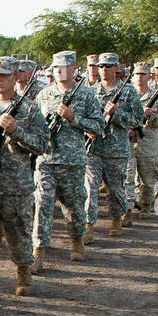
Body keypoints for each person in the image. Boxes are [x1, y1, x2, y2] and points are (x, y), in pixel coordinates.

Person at [0, 55, 49, 292]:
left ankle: (23, 273)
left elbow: (42, 145)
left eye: (4, 75)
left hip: (16, 184)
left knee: (18, 232)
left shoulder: (29, 109)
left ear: (16, 77)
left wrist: (16, 130)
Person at [34, 50, 104, 266]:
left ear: (74, 68)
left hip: (73, 161)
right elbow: (35, 125)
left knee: (73, 207)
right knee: (43, 203)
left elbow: (98, 126)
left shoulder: (86, 96)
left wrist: (74, 118)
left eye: (64, 67)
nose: (59, 71)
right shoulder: (44, 95)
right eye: (56, 68)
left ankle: (76, 241)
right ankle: (38, 251)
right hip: (46, 160)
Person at [84, 52, 142, 241]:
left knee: (115, 188)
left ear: (116, 68)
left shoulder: (128, 91)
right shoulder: (90, 91)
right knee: (90, 188)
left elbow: (137, 119)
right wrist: (88, 130)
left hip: (116, 149)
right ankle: (88, 225)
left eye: (109, 66)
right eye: (101, 66)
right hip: (93, 148)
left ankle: (117, 216)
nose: (104, 69)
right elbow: (83, 118)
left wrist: (117, 113)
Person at [129, 62, 158, 217]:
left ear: (149, 76)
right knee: (128, 177)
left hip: (149, 142)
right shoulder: (127, 95)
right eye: (137, 74)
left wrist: (151, 115)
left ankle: (146, 204)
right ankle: (127, 209)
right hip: (129, 142)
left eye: (143, 74)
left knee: (148, 178)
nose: (140, 77)